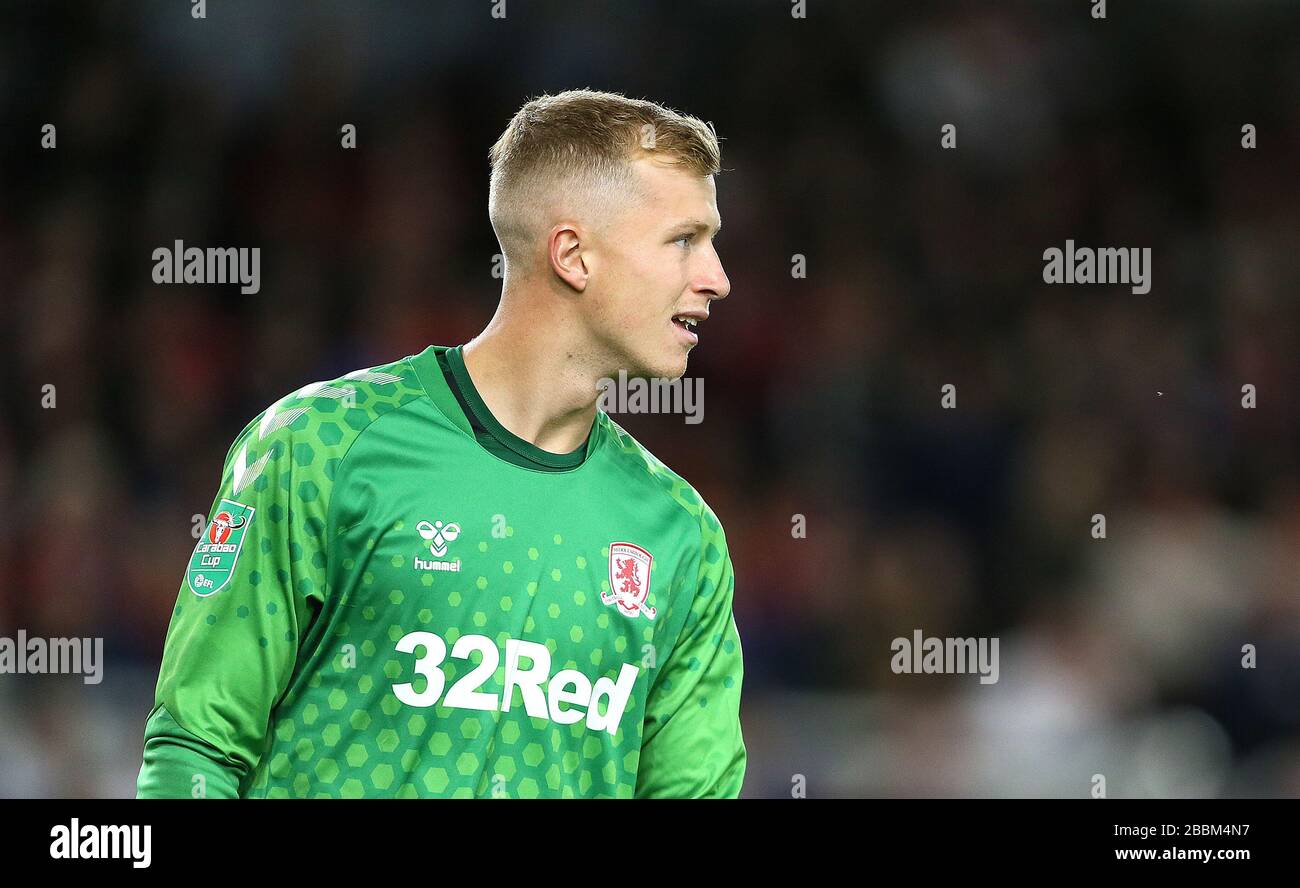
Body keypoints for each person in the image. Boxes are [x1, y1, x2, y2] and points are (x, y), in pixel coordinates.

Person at [136, 89, 744, 798]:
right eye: (684, 241)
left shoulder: (682, 537)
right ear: (573, 256)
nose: (717, 279)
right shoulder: (324, 448)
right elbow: (196, 747)